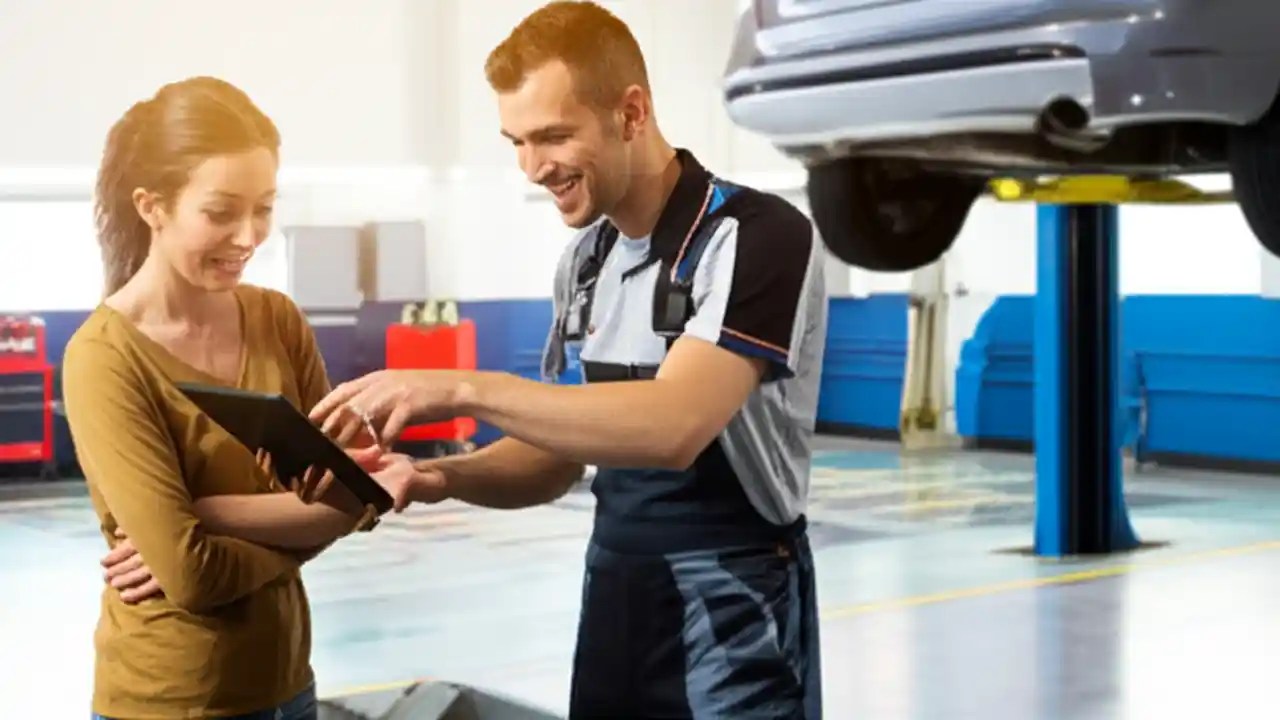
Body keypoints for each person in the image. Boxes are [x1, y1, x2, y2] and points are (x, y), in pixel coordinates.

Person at [308, 2, 829, 717]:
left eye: (553, 136)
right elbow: (554, 456)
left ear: (632, 113)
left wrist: (461, 388)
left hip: (737, 602)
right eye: (516, 141)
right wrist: (433, 476)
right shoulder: (585, 264)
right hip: (616, 589)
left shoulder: (757, 236)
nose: (532, 167)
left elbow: (673, 427)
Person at [63, 76, 410, 720]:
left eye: (265, 208)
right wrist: (316, 514)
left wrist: (206, 514)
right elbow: (193, 577)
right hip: (173, 698)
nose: (249, 235)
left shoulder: (277, 319)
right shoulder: (104, 357)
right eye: (221, 212)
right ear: (152, 206)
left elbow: (362, 494)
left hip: (289, 684)